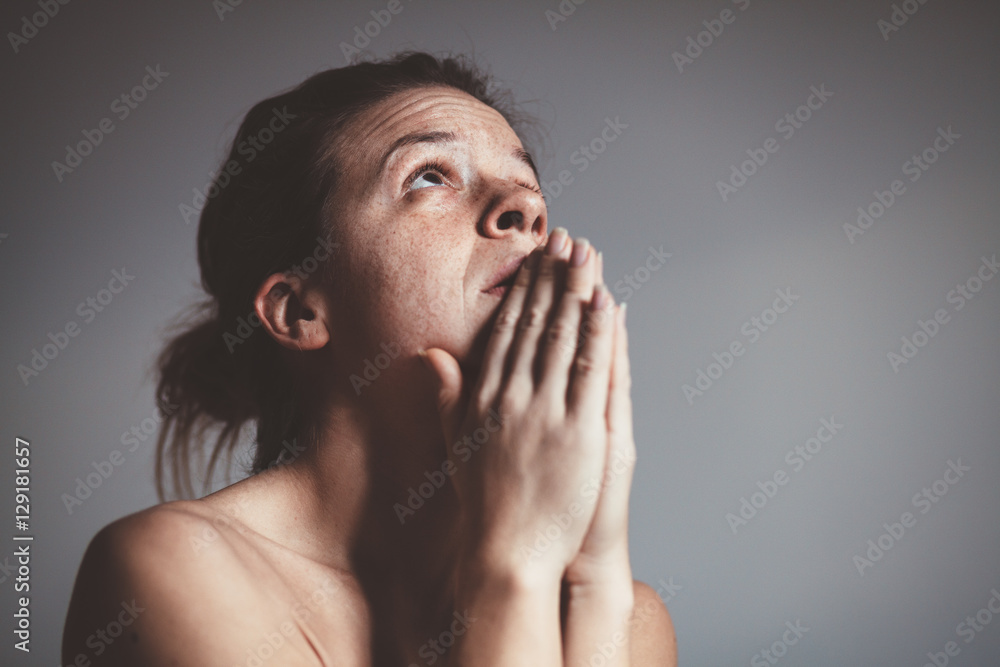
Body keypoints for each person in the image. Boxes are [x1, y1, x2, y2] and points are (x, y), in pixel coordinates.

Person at [62, 51, 677, 666]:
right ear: (299, 310)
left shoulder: (627, 617)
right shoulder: (170, 571)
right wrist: (515, 566)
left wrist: (596, 583)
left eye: (530, 191)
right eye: (430, 176)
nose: (525, 211)